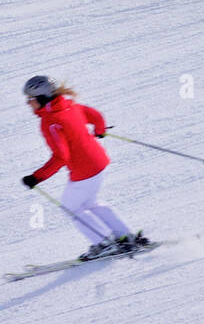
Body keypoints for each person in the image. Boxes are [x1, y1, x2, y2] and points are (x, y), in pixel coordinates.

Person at [19, 76, 149, 260]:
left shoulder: (51, 122)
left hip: (85, 171)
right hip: (99, 162)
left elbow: (61, 157)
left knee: (71, 207)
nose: (28, 104)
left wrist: (36, 177)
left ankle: (103, 243)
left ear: (41, 98)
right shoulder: (69, 105)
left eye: (30, 99)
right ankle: (123, 236)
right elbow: (95, 115)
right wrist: (99, 130)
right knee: (90, 203)